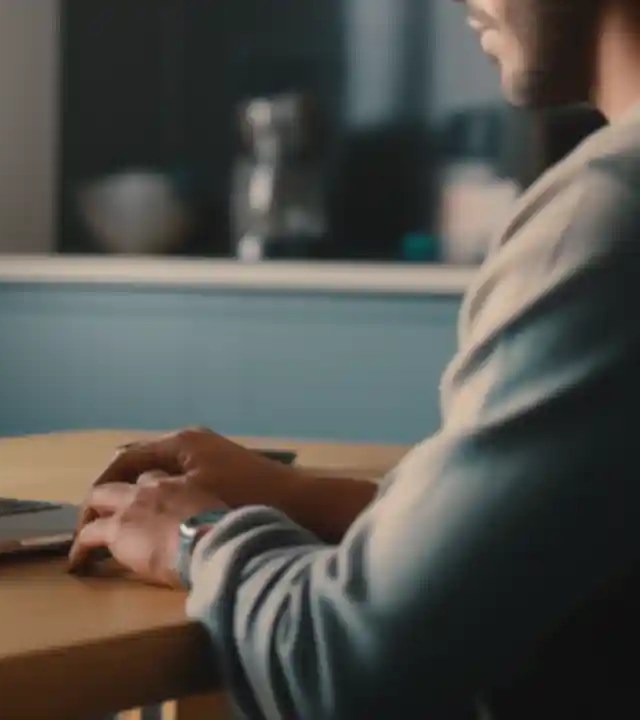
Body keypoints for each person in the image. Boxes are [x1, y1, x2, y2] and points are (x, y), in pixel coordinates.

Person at [67, 0, 640, 717]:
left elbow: (351, 661)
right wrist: (300, 497)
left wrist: (195, 536)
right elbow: (572, 535)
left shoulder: (610, 215)